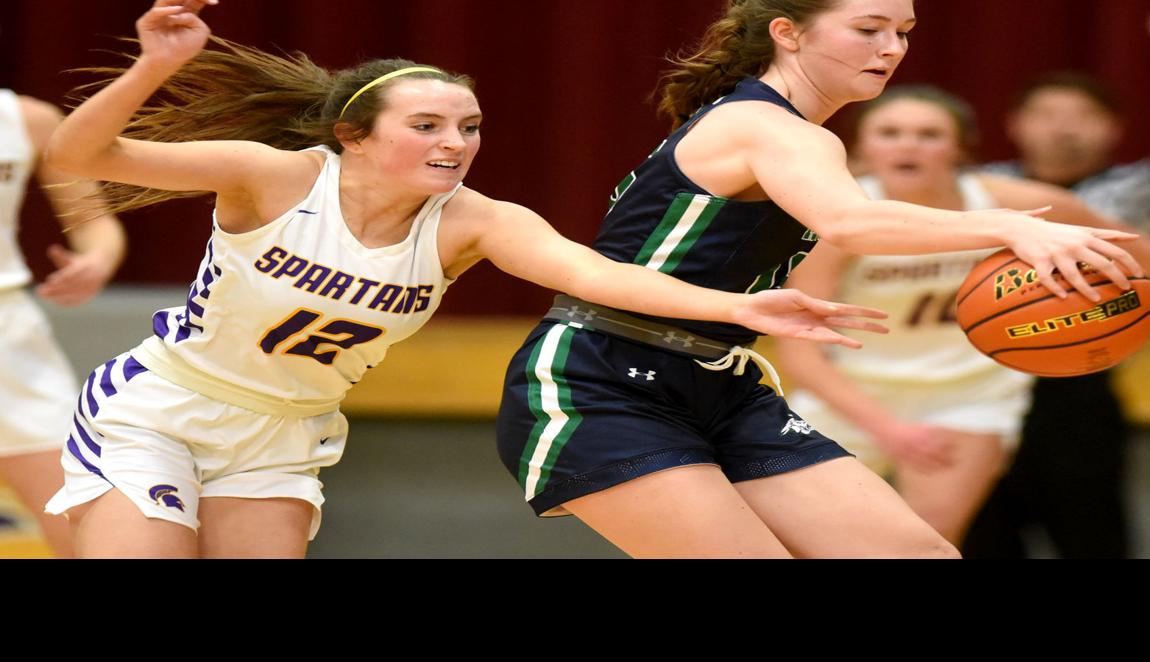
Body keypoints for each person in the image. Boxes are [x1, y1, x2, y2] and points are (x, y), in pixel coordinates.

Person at [41, 0, 887, 559]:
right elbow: (77, 156)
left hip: (285, 432)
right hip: (159, 411)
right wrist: (152, 67)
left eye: (469, 125)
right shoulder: (275, 177)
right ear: (355, 134)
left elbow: (601, 277)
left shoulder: (477, 221)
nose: (456, 141)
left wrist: (739, 305)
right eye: (427, 125)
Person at [494, 0, 1148, 559]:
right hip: (601, 377)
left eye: (904, 32)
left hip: (717, 381)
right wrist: (1007, 227)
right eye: (868, 29)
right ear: (788, 32)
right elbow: (851, 223)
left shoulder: (793, 132)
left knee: (916, 553)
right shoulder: (761, 124)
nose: (891, 48)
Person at [772, 85, 1150, 546]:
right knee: (803, 542)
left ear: (959, 149)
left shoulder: (1021, 203)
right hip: (853, 394)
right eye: (890, 133)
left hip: (969, 397)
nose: (908, 145)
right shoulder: (842, 221)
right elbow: (801, 357)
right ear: (863, 149)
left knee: (927, 541)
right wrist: (888, 429)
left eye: (928, 134)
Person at [965, 8, 1150, 559]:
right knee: (982, 538)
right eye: (1046, 113)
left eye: (1083, 115)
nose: (1063, 126)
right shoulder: (980, 187)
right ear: (1016, 123)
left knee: (1092, 536)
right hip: (975, 376)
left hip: (1081, 377)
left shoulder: (1141, 185)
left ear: (1113, 127)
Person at [1, 79, 127, 558]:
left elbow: (95, 223)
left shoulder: (28, 119)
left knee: (80, 516)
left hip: (8, 334)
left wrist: (97, 261)